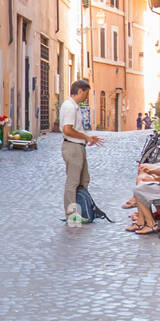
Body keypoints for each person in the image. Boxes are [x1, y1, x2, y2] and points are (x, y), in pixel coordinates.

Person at [59, 79, 103, 222]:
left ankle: (83, 210)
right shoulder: (70, 107)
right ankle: (72, 215)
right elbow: (68, 129)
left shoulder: (74, 107)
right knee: (73, 182)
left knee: (84, 179)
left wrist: (87, 138)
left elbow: (74, 130)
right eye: (86, 93)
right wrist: (85, 137)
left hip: (78, 146)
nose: (86, 97)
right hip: (72, 147)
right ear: (79, 91)